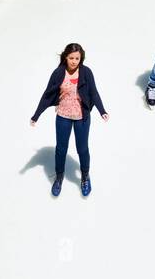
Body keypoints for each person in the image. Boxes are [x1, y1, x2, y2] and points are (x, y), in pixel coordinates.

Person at [30, 42, 108, 198]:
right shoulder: (58, 73)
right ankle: (59, 177)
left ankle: (85, 176)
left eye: (77, 58)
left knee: (82, 148)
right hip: (63, 116)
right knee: (61, 149)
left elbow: (93, 93)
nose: (74, 61)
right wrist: (36, 115)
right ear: (66, 57)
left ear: (81, 58)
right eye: (71, 58)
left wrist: (102, 110)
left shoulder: (86, 72)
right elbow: (47, 95)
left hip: (82, 118)